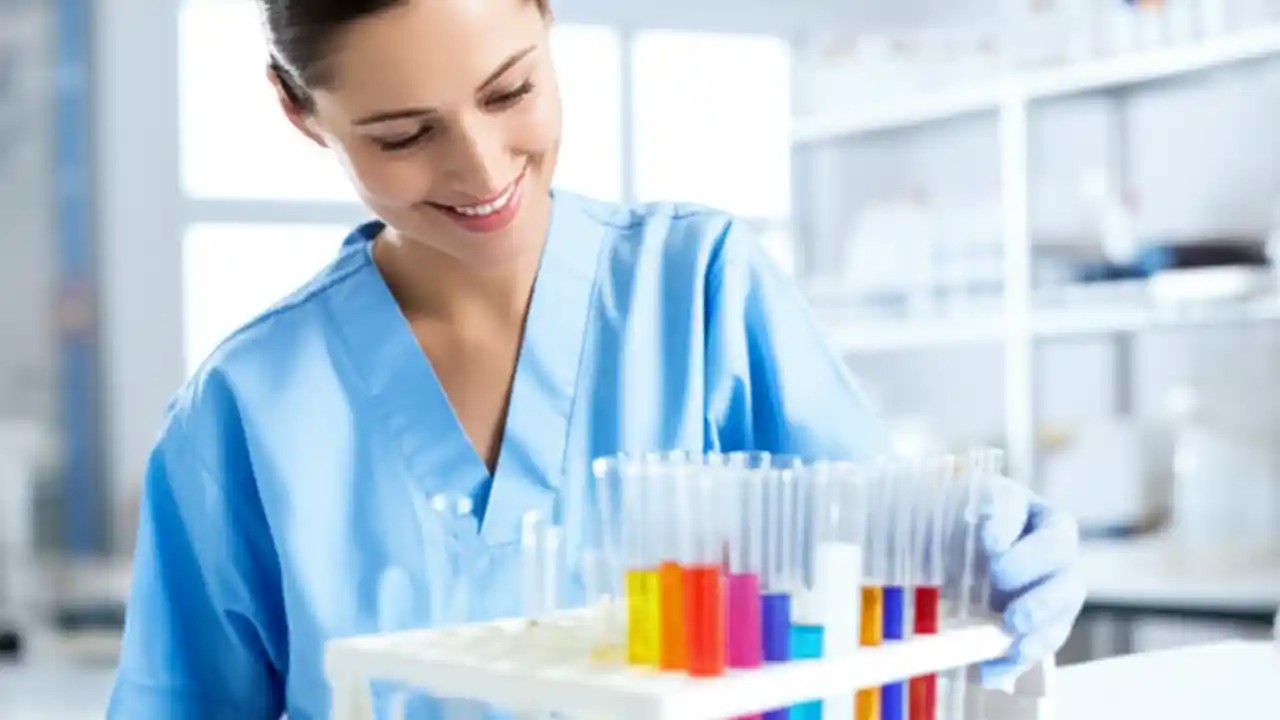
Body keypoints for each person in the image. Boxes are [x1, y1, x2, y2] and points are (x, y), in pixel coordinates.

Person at [107, 0, 1086, 717]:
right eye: (403, 136)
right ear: (299, 112)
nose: (483, 168)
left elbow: (886, 590)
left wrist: (987, 562)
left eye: (511, 91)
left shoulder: (698, 290)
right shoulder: (243, 411)